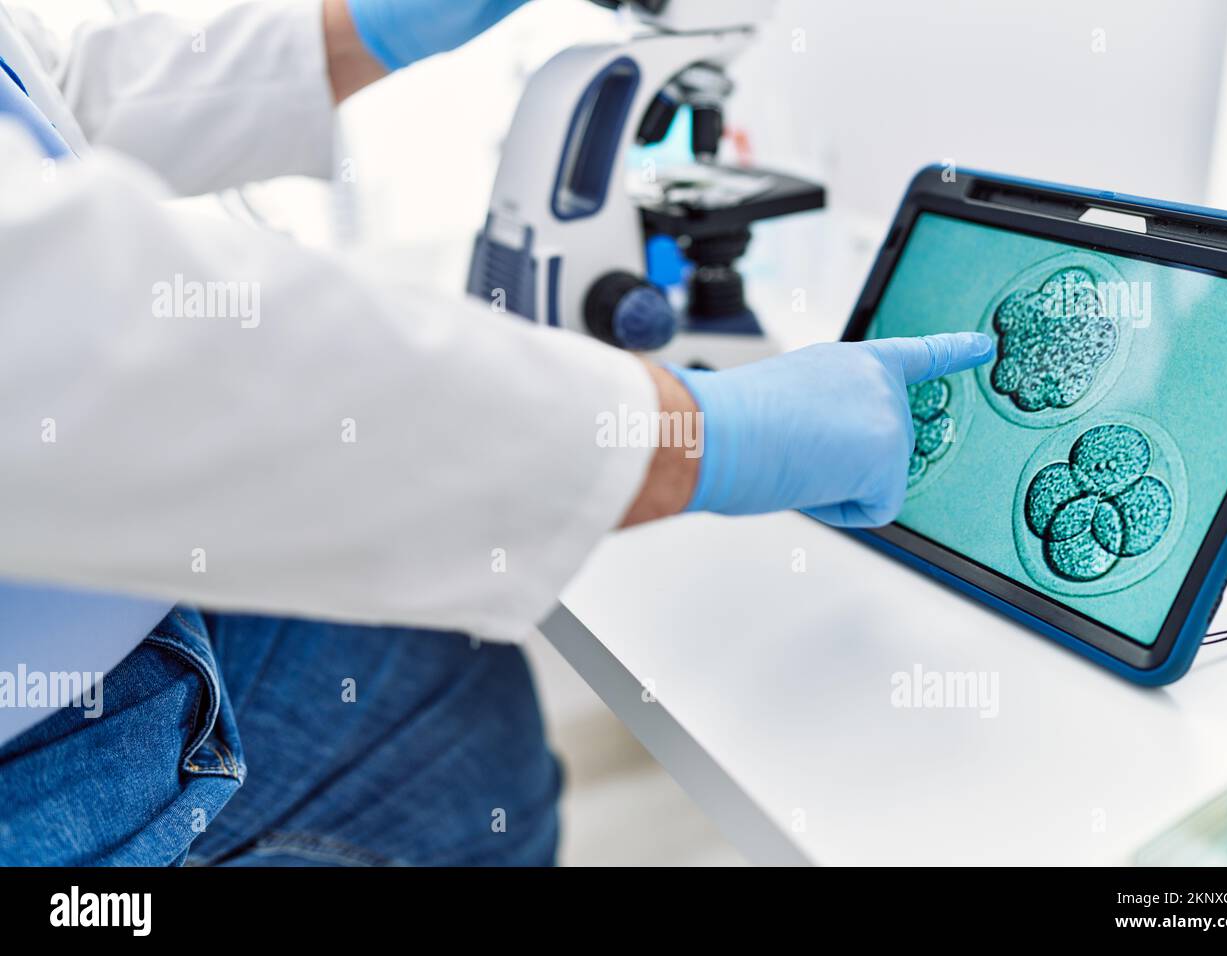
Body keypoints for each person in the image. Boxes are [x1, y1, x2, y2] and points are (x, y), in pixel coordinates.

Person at [0, 0, 992, 865]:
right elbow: (92, 340)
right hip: (48, 736)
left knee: (453, 680)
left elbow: (54, 100)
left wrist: (356, 26)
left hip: (79, 608)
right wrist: (699, 437)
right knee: (461, 763)